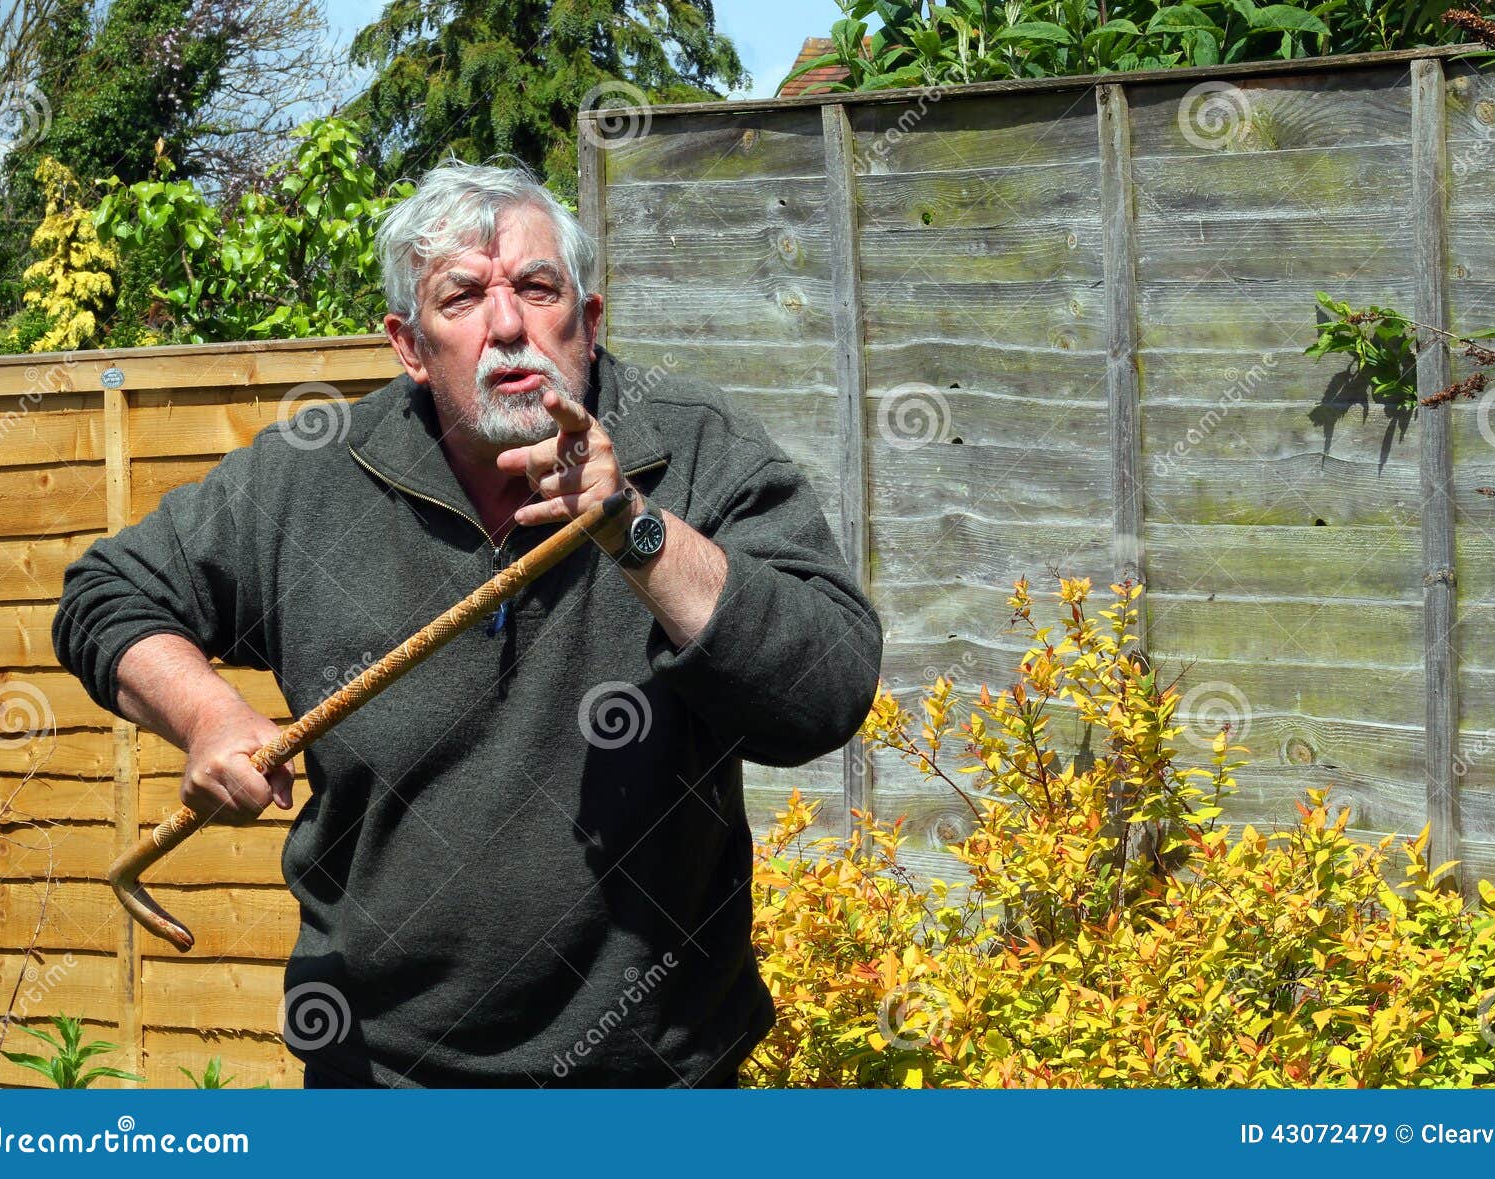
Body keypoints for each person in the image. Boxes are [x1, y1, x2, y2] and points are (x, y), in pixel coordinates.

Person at [52, 159, 883, 1088]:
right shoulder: (307, 479)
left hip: (657, 1077)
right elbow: (106, 593)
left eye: (537, 288)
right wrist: (205, 713)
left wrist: (637, 528)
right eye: (463, 298)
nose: (507, 326)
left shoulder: (694, 448)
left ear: (589, 321)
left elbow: (828, 687)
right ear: (409, 345)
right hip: (381, 1079)